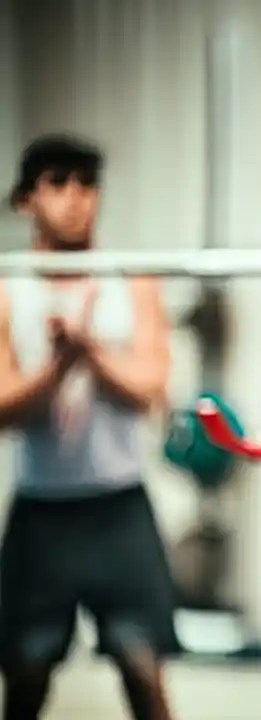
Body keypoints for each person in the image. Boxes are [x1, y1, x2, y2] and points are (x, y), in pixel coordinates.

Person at [0, 134, 178, 720]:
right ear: (26, 199)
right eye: (58, 184)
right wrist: (58, 366)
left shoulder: (131, 282)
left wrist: (90, 350)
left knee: (144, 670)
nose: (76, 199)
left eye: (87, 184)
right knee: (25, 677)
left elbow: (151, 386)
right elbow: (2, 407)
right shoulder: (8, 286)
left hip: (119, 510)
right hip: (42, 512)